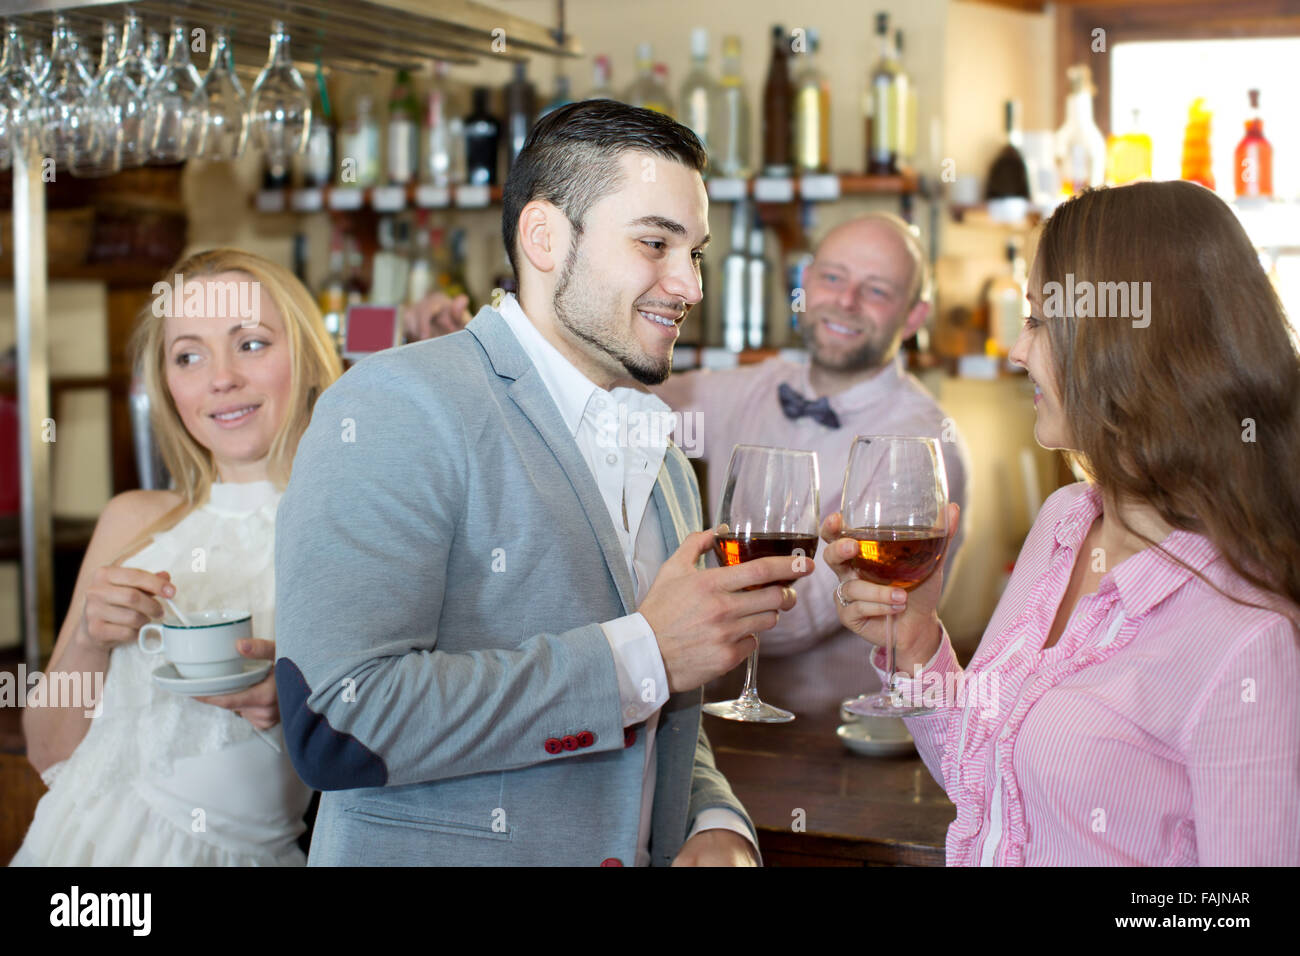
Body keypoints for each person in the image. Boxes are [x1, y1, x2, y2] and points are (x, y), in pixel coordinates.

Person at [274, 99, 812, 867]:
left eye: (695, 253)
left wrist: (713, 823)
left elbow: (659, 709)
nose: (689, 285)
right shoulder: (396, 403)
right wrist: (644, 652)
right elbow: (338, 723)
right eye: (655, 243)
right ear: (544, 237)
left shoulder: (660, 455)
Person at [823, 181, 1300, 865]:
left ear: (1129, 343)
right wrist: (920, 644)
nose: (1018, 351)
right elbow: (983, 780)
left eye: (1042, 321)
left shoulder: (1252, 641)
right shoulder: (1066, 522)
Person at [13, 249, 342, 866]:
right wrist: (87, 638)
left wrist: (299, 706)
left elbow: (401, 737)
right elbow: (47, 752)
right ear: (166, 384)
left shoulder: (345, 523)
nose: (221, 378)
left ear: (308, 357)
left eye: (250, 344)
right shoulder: (132, 519)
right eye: (188, 355)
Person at [654, 213, 970, 717]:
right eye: (832, 278)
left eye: (877, 290)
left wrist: (647, 627)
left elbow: (795, 622)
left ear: (913, 317)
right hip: (732, 731)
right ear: (806, 284)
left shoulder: (921, 442)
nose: (846, 301)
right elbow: (626, 405)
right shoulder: (757, 386)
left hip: (841, 740)